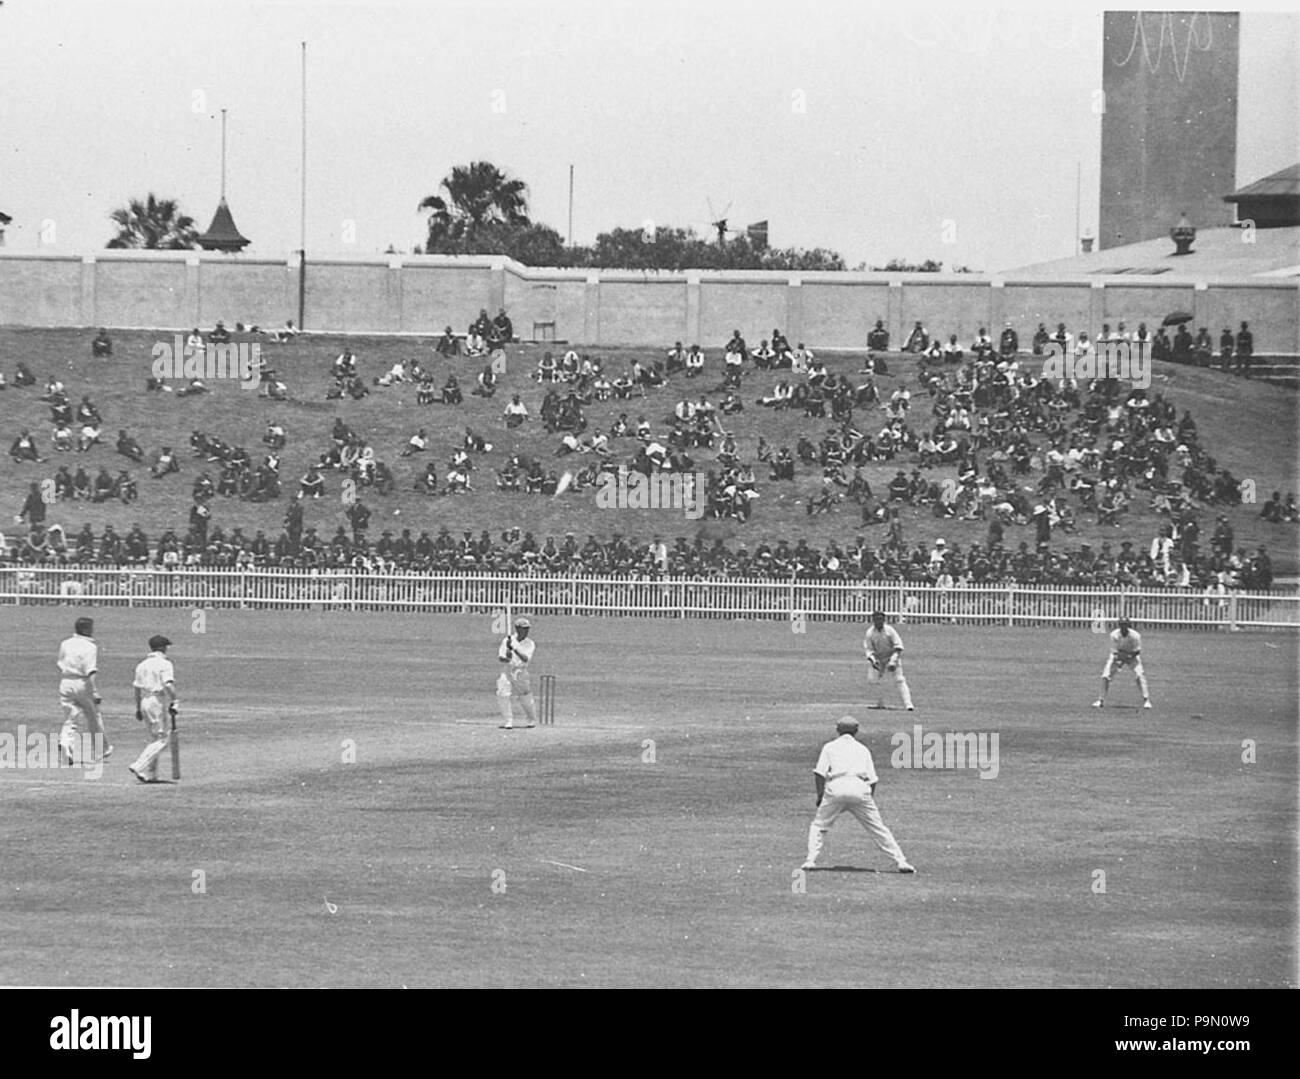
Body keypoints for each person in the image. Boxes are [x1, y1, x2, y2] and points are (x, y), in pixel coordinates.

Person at [802, 716, 915, 874]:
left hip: (836, 786)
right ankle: (901, 861)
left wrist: (820, 796)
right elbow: (873, 779)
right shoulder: (863, 749)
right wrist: (868, 801)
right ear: (856, 731)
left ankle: (810, 860)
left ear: (838, 730)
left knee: (819, 825)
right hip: (860, 787)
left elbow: (820, 773)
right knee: (878, 828)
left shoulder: (829, 747)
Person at [58, 616, 110, 766]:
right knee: (93, 715)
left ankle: (65, 743)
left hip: (66, 681)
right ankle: (102, 749)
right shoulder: (90, 647)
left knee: (71, 716)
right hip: (82, 682)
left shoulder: (65, 643)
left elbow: (61, 662)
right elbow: (90, 671)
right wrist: (94, 691)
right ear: (86, 629)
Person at [128, 635, 177, 783]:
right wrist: (175, 700)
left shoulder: (142, 665)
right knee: (162, 740)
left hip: (144, 701)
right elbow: (168, 684)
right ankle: (139, 765)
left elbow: (137, 688)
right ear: (162, 648)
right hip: (157, 701)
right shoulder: (165, 664)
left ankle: (152, 774)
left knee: (155, 738)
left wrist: (137, 708)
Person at [1092, 615, 1151, 709]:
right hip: (1117, 656)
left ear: (1128, 625)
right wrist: (1119, 662)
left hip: (1132, 657)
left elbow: (1137, 651)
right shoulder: (1114, 635)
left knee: (1140, 675)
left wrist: (1127, 657)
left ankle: (1146, 700)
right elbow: (1114, 652)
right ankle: (1100, 700)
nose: (1123, 627)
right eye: (1121, 625)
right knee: (1105, 676)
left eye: (1125, 625)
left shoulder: (1135, 636)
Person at [864, 609, 914, 710]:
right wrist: (873, 660)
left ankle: (908, 704)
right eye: (876, 619)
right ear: (873, 620)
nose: (879, 622)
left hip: (892, 656)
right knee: (873, 680)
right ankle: (880, 703)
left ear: (884, 620)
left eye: (881, 619)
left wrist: (893, 661)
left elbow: (898, 646)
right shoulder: (870, 633)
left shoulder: (890, 630)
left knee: (899, 680)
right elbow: (869, 649)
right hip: (878, 658)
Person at [496, 616, 539, 729]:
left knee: (525, 695)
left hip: (521, 671)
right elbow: (501, 658)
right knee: (502, 693)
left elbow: (525, 658)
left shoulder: (530, 643)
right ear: (517, 628)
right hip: (507, 669)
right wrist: (508, 656)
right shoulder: (507, 641)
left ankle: (531, 719)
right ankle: (508, 720)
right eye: (523, 629)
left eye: (527, 629)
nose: (526, 631)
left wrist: (514, 649)